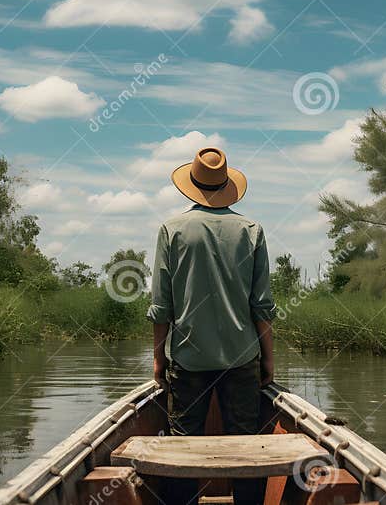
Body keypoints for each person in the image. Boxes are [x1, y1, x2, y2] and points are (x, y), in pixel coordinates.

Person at [148, 146, 276, 505]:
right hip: (242, 359)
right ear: (226, 185)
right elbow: (261, 305)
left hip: (189, 360)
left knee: (184, 450)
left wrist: (159, 360)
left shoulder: (171, 230)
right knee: (246, 449)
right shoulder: (251, 231)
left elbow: (162, 307)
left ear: (191, 184)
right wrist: (268, 359)